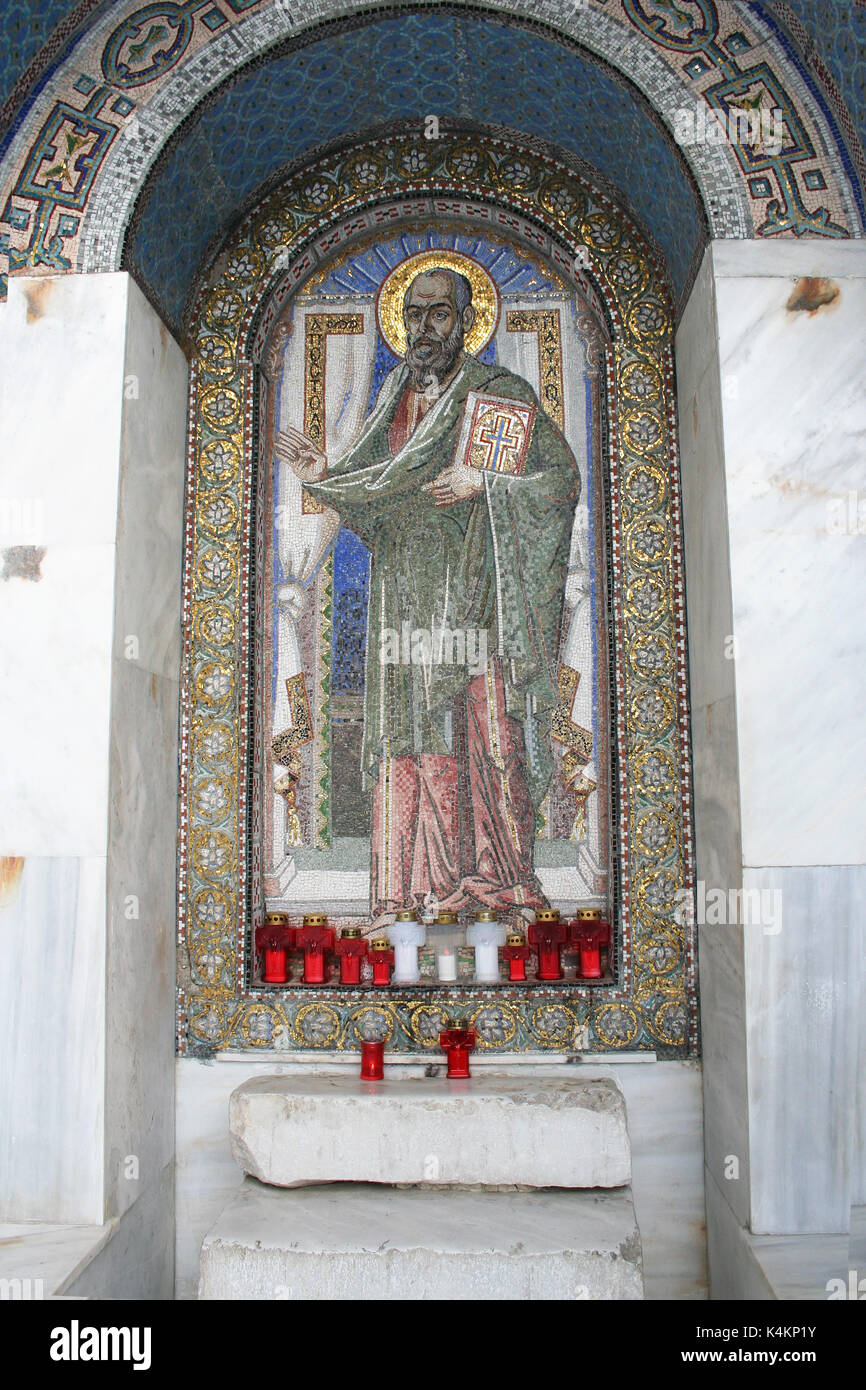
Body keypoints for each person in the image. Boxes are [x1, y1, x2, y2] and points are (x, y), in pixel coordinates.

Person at [276, 266, 580, 924]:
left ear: (467, 320)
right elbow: (376, 501)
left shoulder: (498, 391)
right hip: (404, 594)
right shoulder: (394, 396)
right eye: (414, 314)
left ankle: (502, 882)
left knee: (485, 730)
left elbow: (559, 483)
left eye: (439, 314)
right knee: (410, 738)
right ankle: (409, 896)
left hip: (477, 592)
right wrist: (325, 478)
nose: (423, 328)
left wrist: (487, 484)